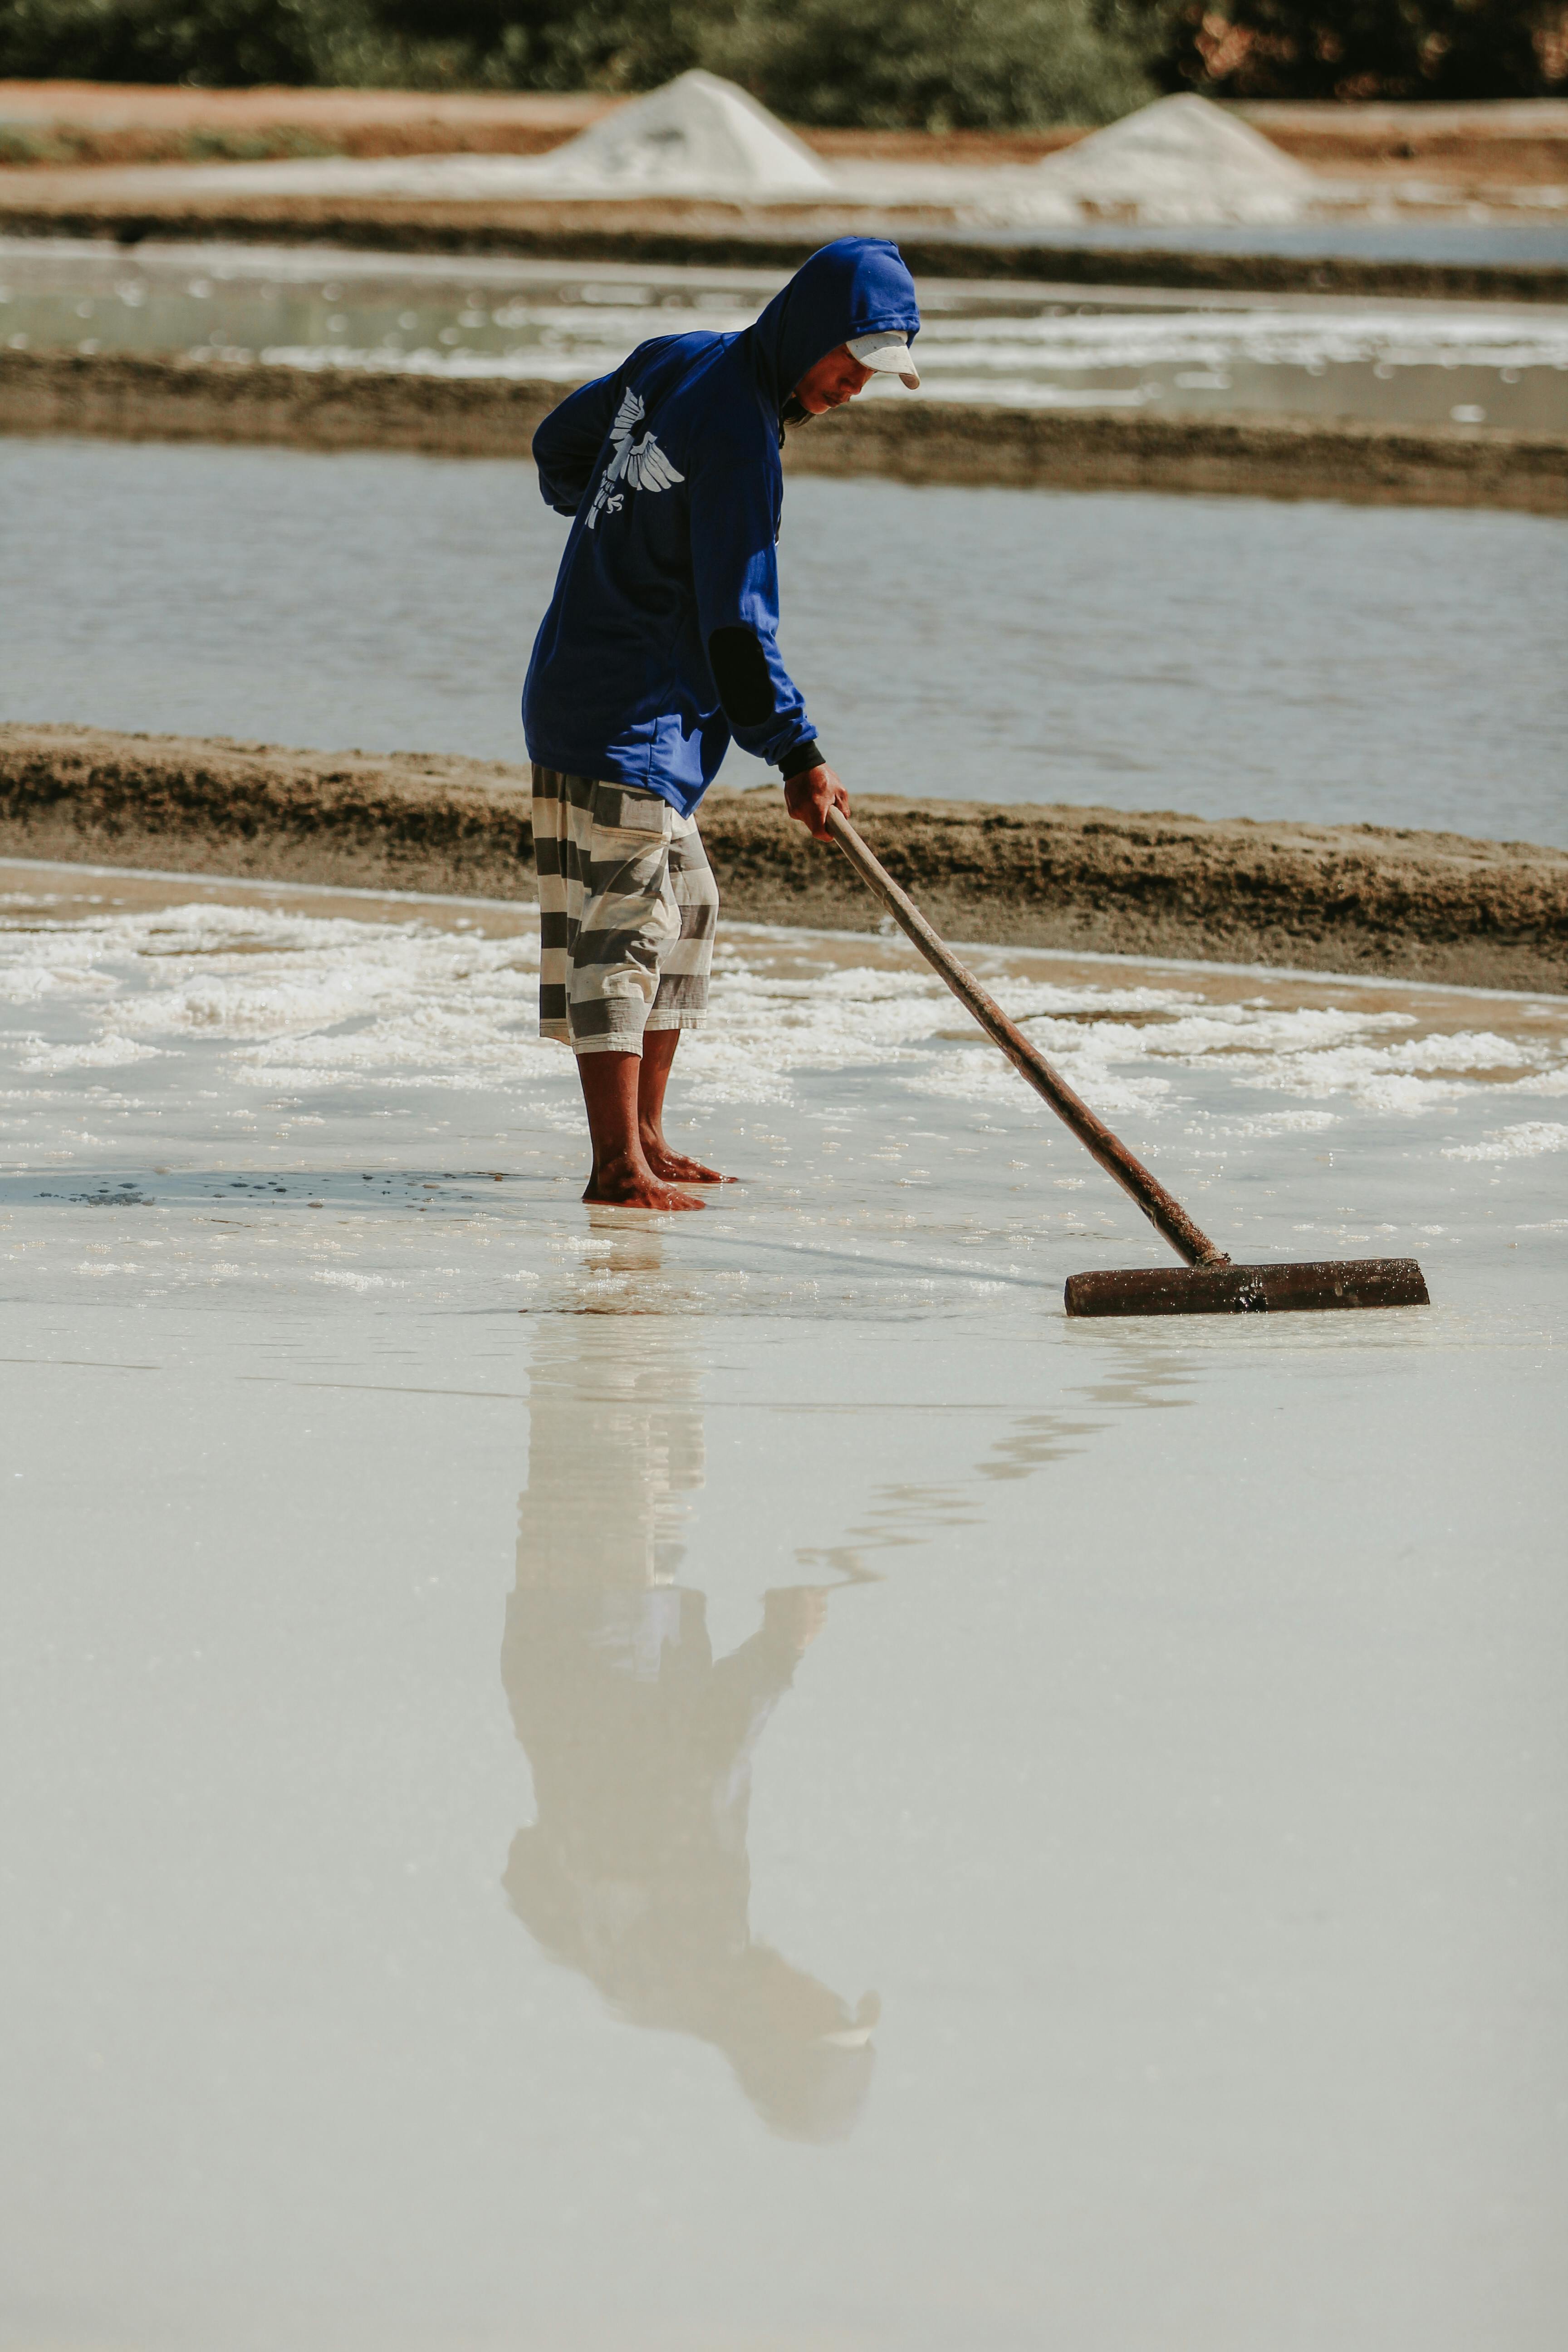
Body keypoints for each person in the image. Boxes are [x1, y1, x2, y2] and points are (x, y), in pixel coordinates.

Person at [523, 235, 921, 1210]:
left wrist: (614, 524)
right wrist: (799, 753)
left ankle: (648, 1138)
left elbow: (559, 447)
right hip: (629, 711)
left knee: (688, 907)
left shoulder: (678, 355)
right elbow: (737, 629)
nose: (853, 390)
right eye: (849, 365)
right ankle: (616, 1167)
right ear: (814, 332)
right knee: (625, 926)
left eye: (873, 376)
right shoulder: (741, 433)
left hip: (594, 686)